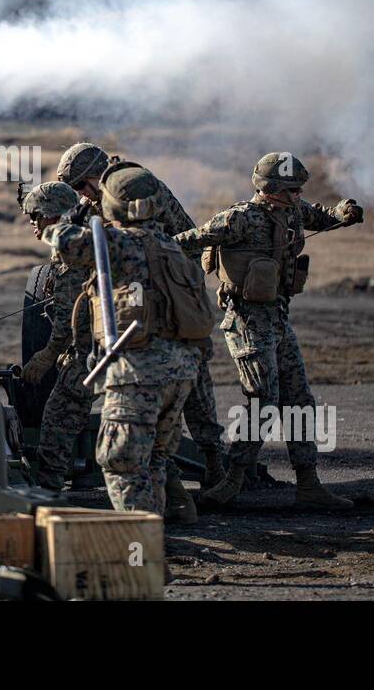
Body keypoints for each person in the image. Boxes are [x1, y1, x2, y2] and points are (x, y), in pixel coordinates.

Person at [176, 152, 364, 509]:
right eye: (292, 190)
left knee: (299, 400)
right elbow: (192, 239)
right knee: (263, 402)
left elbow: (322, 218)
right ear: (271, 189)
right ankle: (232, 482)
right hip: (246, 321)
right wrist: (144, 250)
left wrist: (344, 213)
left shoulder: (292, 210)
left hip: (277, 319)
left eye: (299, 190)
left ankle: (308, 485)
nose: (298, 196)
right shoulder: (239, 220)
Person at [56, 143, 225, 522]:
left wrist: (149, 272)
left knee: (130, 452)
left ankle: (210, 477)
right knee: (161, 437)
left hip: (156, 326)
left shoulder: (135, 190)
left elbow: (184, 234)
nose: (84, 198)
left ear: (95, 180)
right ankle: (173, 502)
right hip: (150, 327)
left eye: (83, 189)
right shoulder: (116, 204)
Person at [18, 181, 93, 490]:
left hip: (91, 352)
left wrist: (47, 356)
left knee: (57, 421)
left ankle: (47, 492)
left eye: (36, 217)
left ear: (52, 216)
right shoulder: (86, 237)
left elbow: (67, 319)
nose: (34, 225)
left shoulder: (70, 249)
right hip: (114, 347)